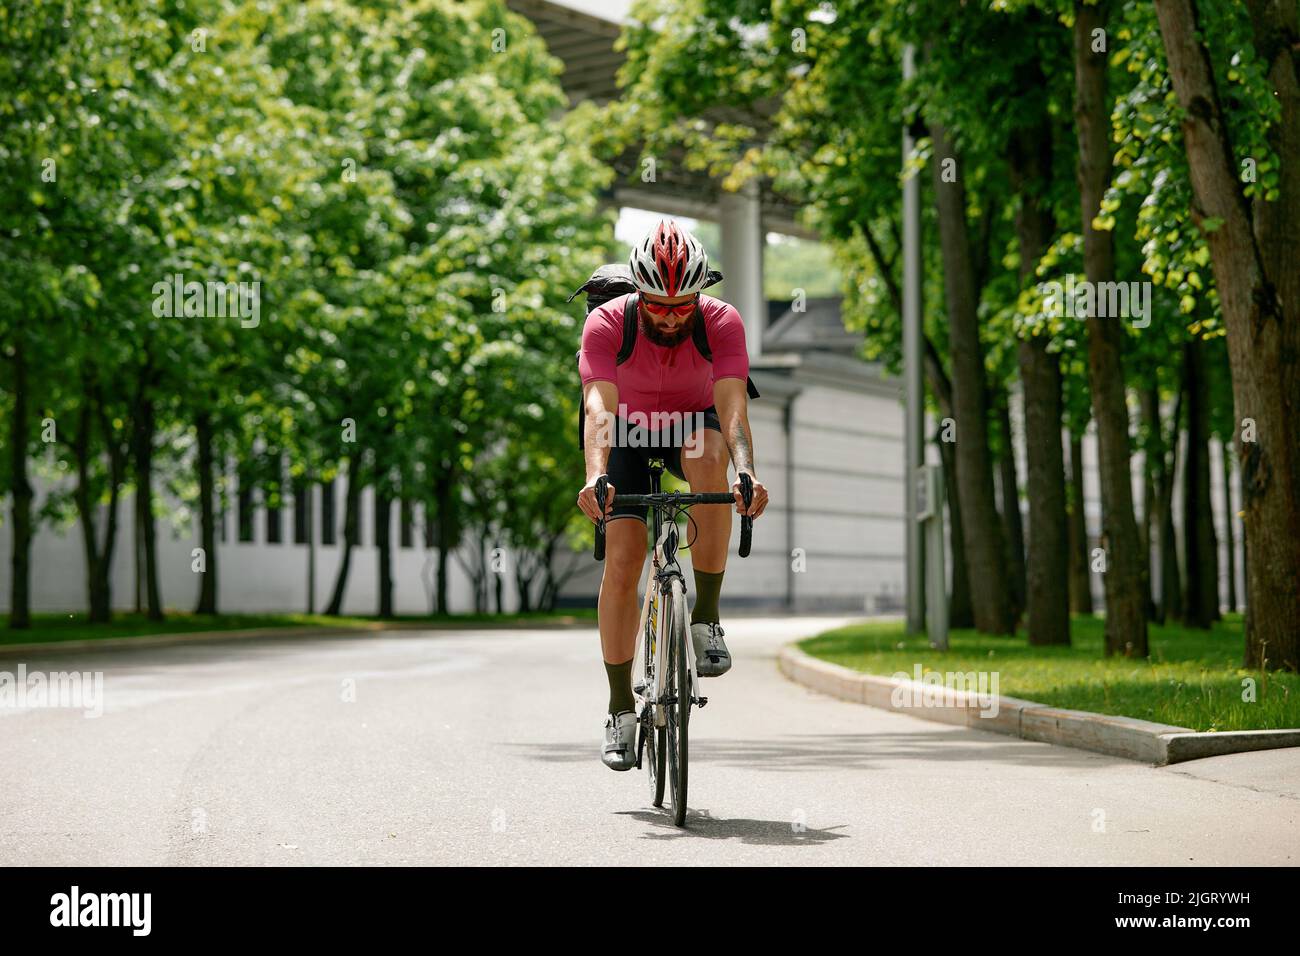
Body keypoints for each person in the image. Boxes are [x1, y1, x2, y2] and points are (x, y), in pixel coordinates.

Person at [575, 220, 769, 771]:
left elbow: (732, 407)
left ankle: (705, 617)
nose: (671, 315)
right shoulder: (608, 323)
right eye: (658, 304)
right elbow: (598, 411)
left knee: (709, 459)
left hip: (693, 421)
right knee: (624, 560)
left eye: (683, 303)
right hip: (625, 431)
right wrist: (596, 477)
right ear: (639, 293)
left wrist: (746, 473)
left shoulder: (720, 322)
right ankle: (619, 710)